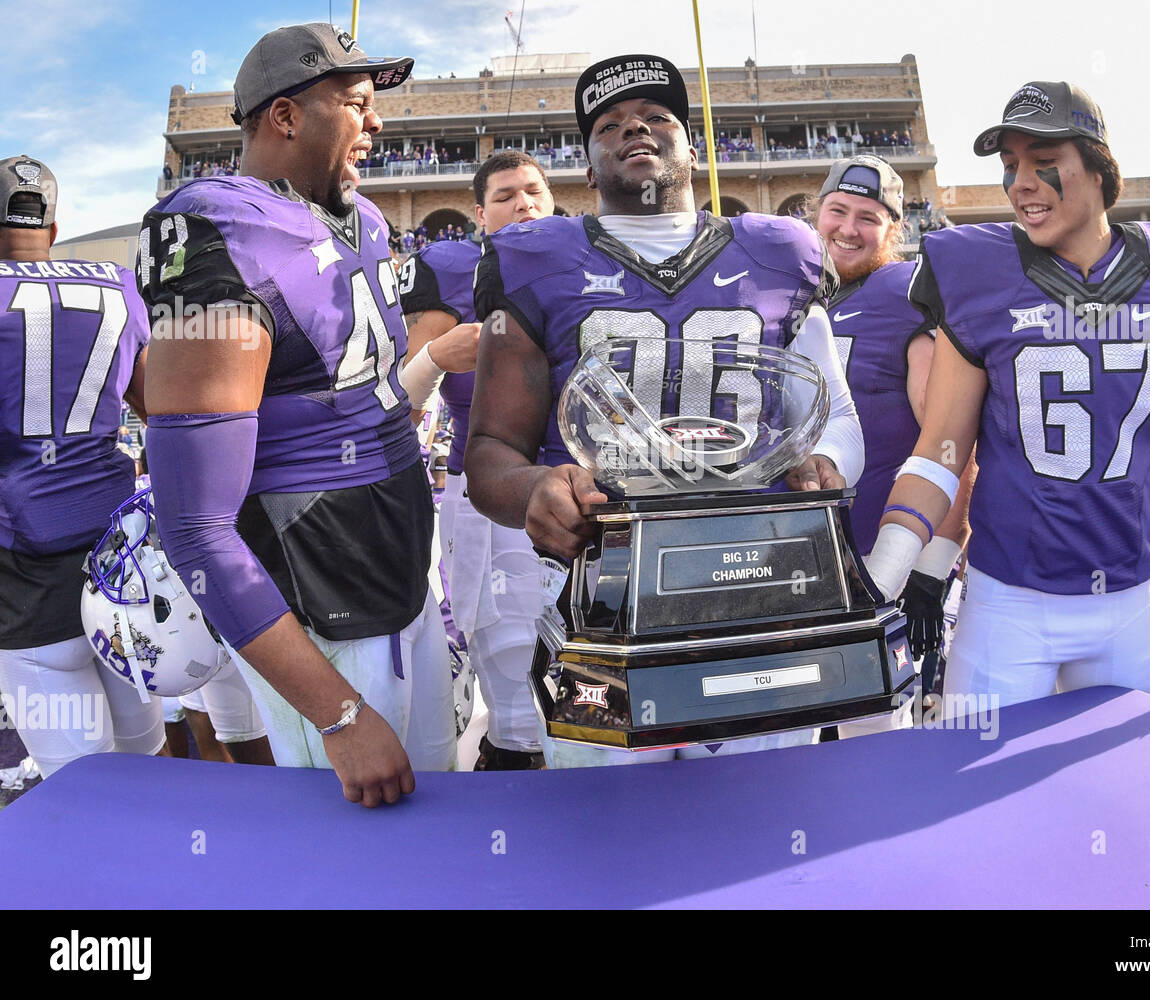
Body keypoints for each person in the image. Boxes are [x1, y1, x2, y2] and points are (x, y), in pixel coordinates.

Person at [466, 53, 864, 768]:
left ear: (692, 148)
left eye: (656, 118)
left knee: (762, 812)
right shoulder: (535, 257)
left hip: (759, 578)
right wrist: (538, 490)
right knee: (604, 826)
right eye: (610, 125)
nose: (635, 130)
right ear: (585, 168)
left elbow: (835, 412)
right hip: (604, 585)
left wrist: (825, 461)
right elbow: (492, 451)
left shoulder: (779, 250)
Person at [137, 23, 455, 807]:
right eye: (355, 103)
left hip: (399, 569)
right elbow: (195, 526)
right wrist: (338, 715)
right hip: (321, 599)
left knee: (434, 817)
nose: (376, 123)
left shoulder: (367, 219)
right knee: (356, 859)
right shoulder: (220, 231)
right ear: (284, 117)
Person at [863, 81, 1150, 707]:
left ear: (1098, 166)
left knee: (1111, 796)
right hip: (1008, 603)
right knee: (982, 795)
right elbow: (939, 458)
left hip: (1129, 604)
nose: (1020, 181)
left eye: (1042, 159)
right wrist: (884, 585)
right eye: (1010, 165)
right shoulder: (978, 274)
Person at [0, 156, 166, 777]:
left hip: (26, 577)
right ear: (54, 223)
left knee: (81, 792)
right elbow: (159, 411)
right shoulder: (115, 281)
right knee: (146, 765)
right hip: (117, 560)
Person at [399, 151, 555, 769]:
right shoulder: (450, 267)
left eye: (535, 191)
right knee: (512, 670)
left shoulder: (584, 259)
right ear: (479, 214)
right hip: (489, 494)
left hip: (581, 487)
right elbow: (403, 401)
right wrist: (437, 355)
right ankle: (513, 772)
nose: (525, 204)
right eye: (506, 195)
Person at [811, 154, 975, 727]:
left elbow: (951, 442)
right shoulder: (804, 297)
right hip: (803, 570)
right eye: (838, 211)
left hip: (882, 569)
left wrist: (931, 569)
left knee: (873, 746)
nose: (848, 229)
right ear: (817, 213)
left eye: (868, 217)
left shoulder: (905, 293)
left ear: (894, 230)